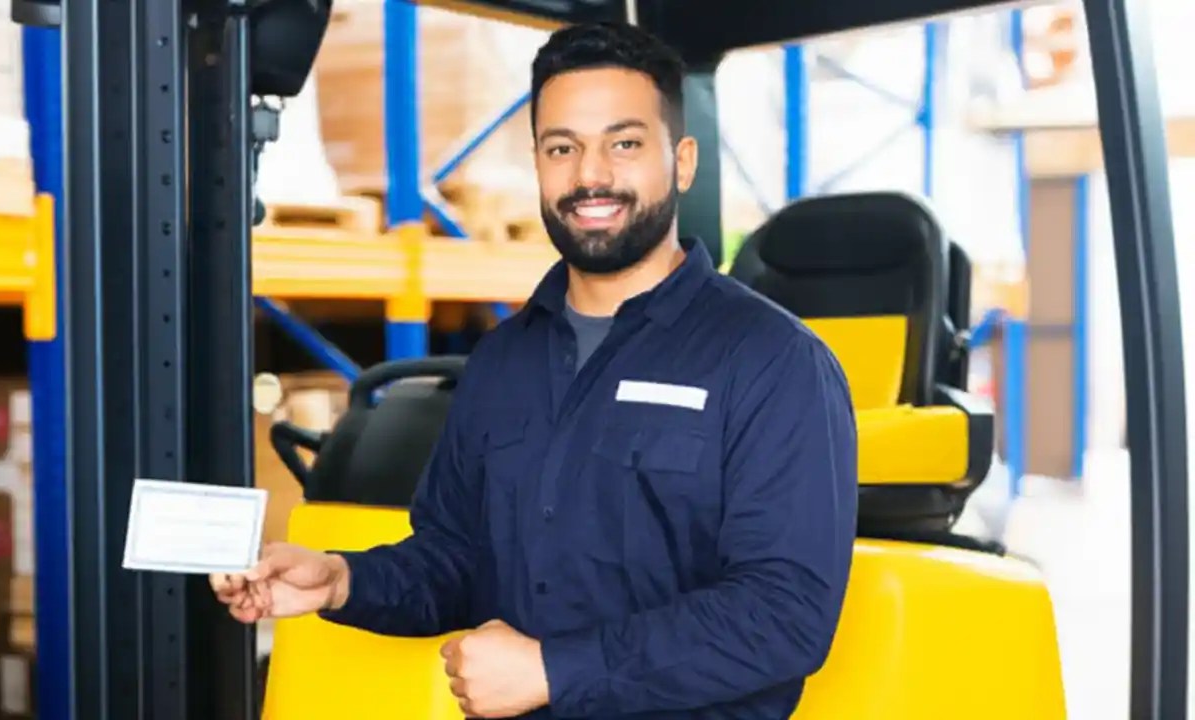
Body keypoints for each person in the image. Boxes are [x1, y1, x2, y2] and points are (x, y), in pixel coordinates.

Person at [212, 21, 858, 719]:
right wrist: (339, 579)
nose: (590, 175)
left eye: (625, 143)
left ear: (684, 160)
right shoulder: (503, 360)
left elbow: (783, 614)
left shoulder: (771, 361)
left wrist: (555, 670)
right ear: (539, 163)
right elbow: (456, 558)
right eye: (562, 148)